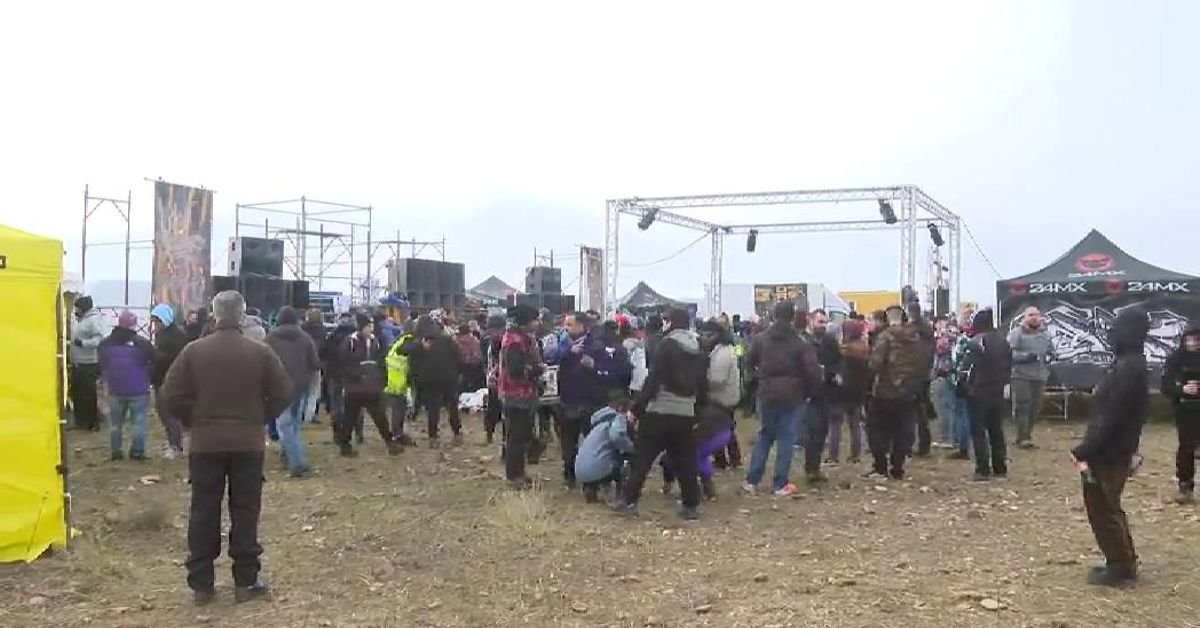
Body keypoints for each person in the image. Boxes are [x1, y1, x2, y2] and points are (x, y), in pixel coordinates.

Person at [161, 290, 292, 605]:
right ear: (242, 315)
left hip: (205, 444)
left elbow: (170, 394)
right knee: (246, 510)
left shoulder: (194, 351)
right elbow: (284, 392)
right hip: (248, 443)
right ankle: (245, 581)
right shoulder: (260, 352)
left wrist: (193, 419)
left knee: (203, 511)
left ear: (214, 314)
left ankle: (201, 585)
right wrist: (260, 417)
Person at [1072, 308, 1149, 589]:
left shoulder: (1129, 368)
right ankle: (1120, 561)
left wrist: (1085, 450)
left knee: (1104, 510)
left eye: (1116, 328)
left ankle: (1121, 568)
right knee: (1107, 508)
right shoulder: (1129, 364)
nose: (1111, 334)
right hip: (1113, 449)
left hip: (1109, 452)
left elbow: (1113, 417)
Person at [613, 308, 708, 520]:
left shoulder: (666, 345)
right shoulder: (699, 348)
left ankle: (629, 500)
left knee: (643, 458)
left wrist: (636, 409)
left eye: (666, 320)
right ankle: (690, 505)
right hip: (686, 412)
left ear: (671, 322)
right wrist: (698, 415)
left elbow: (653, 381)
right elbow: (703, 386)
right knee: (686, 461)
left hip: (660, 410)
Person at [741, 301, 822, 497]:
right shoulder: (800, 343)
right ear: (792, 317)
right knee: (787, 438)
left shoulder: (760, 339)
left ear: (773, 315)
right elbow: (812, 371)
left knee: (765, 436)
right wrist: (810, 392)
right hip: (793, 395)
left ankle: (752, 480)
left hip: (767, 392)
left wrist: (756, 382)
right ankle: (780, 483)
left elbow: (748, 364)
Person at [550, 313, 631, 488]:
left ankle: (594, 481)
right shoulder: (564, 343)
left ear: (581, 326)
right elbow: (551, 358)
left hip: (591, 402)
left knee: (592, 441)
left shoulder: (597, 345)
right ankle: (569, 475)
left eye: (570, 325)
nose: (566, 329)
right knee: (568, 442)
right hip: (568, 400)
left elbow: (615, 373)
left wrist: (595, 367)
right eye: (565, 325)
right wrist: (568, 352)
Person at [866, 304, 928, 481]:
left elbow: (875, 364)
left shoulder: (885, 337)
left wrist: (869, 382)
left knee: (877, 429)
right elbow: (924, 362)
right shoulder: (916, 338)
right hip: (909, 391)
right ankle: (898, 467)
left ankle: (880, 467)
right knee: (902, 431)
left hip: (885, 391)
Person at [957, 308, 1013, 481]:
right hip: (997, 391)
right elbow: (1009, 365)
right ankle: (1000, 467)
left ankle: (982, 469)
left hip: (978, 392)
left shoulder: (976, 342)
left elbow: (966, 369)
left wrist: (963, 386)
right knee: (996, 430)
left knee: (979, 432)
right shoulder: (1003, 341)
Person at [265, 307, 321, 477]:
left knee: (284, 425)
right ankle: (289, 454)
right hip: (300, 387)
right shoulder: (305, 338)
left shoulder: (270, 338)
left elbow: (264, 362)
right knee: (293, 424)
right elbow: (315, 363)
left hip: (278, 387)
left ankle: (298, 463)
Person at [336, 314, 402, 457]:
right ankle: (345, 445)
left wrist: (379, 378)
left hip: (371, 387)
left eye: (371, 325)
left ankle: (390, 443)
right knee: (350, 418)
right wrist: (357, 374)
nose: (370, 329)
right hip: (354, 387)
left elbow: (380, 360)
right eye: (368, 326)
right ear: (360, 327)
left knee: (380, 416)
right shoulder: (349, 342)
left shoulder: (374, 341)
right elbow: (343, 363)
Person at [98, 310, 155, 461]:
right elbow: (152, 361)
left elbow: (102, 364)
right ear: (134, 325)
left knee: (115, 423)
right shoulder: (142, 343)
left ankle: (116, 451)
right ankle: (137, 451)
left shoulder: (105, 343)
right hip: (138, 388)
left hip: (115, 388)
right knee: (139, 422)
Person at [499, 305, 544, 489]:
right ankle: (514, 477)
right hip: (516, 395)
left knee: (521, 435)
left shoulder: (522, 338)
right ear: (526, 321)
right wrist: (536, 370)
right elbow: (516, 370)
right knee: (516, 438)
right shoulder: (515, 341)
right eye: (535, 319)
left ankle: (519, 473)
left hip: (522, 394)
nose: (538, 323)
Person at [406, 316, 464, 447]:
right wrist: (458, 372)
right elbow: (459, 356)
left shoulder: (420, 342)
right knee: (452, 406)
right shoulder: (446, 338)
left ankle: (433, 437)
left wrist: (417, 377)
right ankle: (457, 433)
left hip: (429, 379)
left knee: (433, 409)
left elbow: (411, 359)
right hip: (449, 377)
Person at [1161, 324, 1200, 504]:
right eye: (1189, 339)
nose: (1193, 343)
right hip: (1186, 410)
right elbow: (1166, 385)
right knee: (1186, 449)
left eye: (1197, 340)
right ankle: (1185, 487)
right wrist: (1182, 389)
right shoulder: (1176, 359)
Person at [574, 391, 636, 503]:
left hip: (579, 469)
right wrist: (631, 448)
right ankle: (620, 494)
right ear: (622, 408)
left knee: (602, 455)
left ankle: (591, 487)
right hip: (596, 467)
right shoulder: (617, 419)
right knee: (622, 463)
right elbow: (616, 437)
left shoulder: (597, 422)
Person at [1008, 306, 1053, 449]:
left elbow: (1051, 351)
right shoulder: (1016, 333)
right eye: (1031, 315)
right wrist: (1026, 357)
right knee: (1022, 406)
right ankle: (1023, 437)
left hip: (1039, 376)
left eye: (1036, 315)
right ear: (1024, 317)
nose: (1034, 317)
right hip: (1020, 376)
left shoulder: (1045, 335)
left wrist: (1050, 357)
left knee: (1035, 407)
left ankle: (1027, 434)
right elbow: (1009, 354)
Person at [805, 309, 841, 481]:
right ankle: (810, 468)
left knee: (821, 432)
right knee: (812, 431)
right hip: (808, 393)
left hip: (827, 392)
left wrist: (829, 372)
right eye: (820, 322)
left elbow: (838, 362)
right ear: (811, 321)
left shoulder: (830, 341)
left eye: (825, 323)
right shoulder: (804, 342)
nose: (823, 326)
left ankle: (815, 468)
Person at [701, 319, 742, 469]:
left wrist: (702, 380)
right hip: (723, 394)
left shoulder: (725, 350)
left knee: (724, 429)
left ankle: (731, 458)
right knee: (720, 428)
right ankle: (724, 459)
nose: (706, 338)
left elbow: (718, 379)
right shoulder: (723, 348)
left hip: (722, 396)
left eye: (709, 334)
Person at [828, 318, 870, 464]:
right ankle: (855, 455)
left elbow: (840, 370)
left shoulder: (844, 350)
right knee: (855, 424)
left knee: (835, 424)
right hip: (858, 392)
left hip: (841, 392)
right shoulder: (865, 349)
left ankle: (833, 456)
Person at [150, 303, 189, 459]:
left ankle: (176, 446)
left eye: (157, 321)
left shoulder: (177, 336)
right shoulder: (162, 335)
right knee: (163, 412)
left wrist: (155, 356)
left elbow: (175, 358)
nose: (155, 325)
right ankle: (173, 443)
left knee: (169, 414)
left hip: (171, 380)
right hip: (160, 378)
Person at [70, 295, 108, 431]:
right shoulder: (81, 320)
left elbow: (98, 340)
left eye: (77, 307)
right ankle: (81, 421)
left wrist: (82, 343)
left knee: (88, 394)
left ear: (83, 308)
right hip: (77, 361)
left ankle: (93, 422)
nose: (75, 310)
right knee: (78, 393)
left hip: (88, 363)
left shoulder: (93, 320)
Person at [322, 313, 358, 442]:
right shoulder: (357, 337)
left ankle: (337, 433)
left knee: (336, 404)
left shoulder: (332, 337)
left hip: (335, 374)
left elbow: (323, 353)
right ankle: (355, 433)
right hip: (353, 376)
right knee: (354, 405)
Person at [384, 325, 418, 447]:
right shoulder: (409, 341)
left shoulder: (402, 340)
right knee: (399, 408)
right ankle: (397, 434)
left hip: (394, 378)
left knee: (400, 408)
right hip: (397, 380)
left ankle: (398, 433)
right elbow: (406, 353)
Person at [482, 313, 507, 444]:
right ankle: (489, 435)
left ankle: (505, 439)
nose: (492, 333)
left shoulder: (506, 341)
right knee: (492, 410)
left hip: (506, 382)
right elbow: (487, 361)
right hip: (494, 382)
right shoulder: (488, 342)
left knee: (506, 413)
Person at [300, 308, 328, 424]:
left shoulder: (301, 329)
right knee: (314, 392)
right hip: (316, 363)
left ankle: (300, 414)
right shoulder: (322, 330)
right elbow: (324, 348)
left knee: (302, 391)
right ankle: (309, 416)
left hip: (302, 364)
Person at [456, 323, 485, 393]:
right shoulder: (475, 340)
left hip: (464, 370)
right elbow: (478, 355)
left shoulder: (458, 343)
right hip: (477, 369)